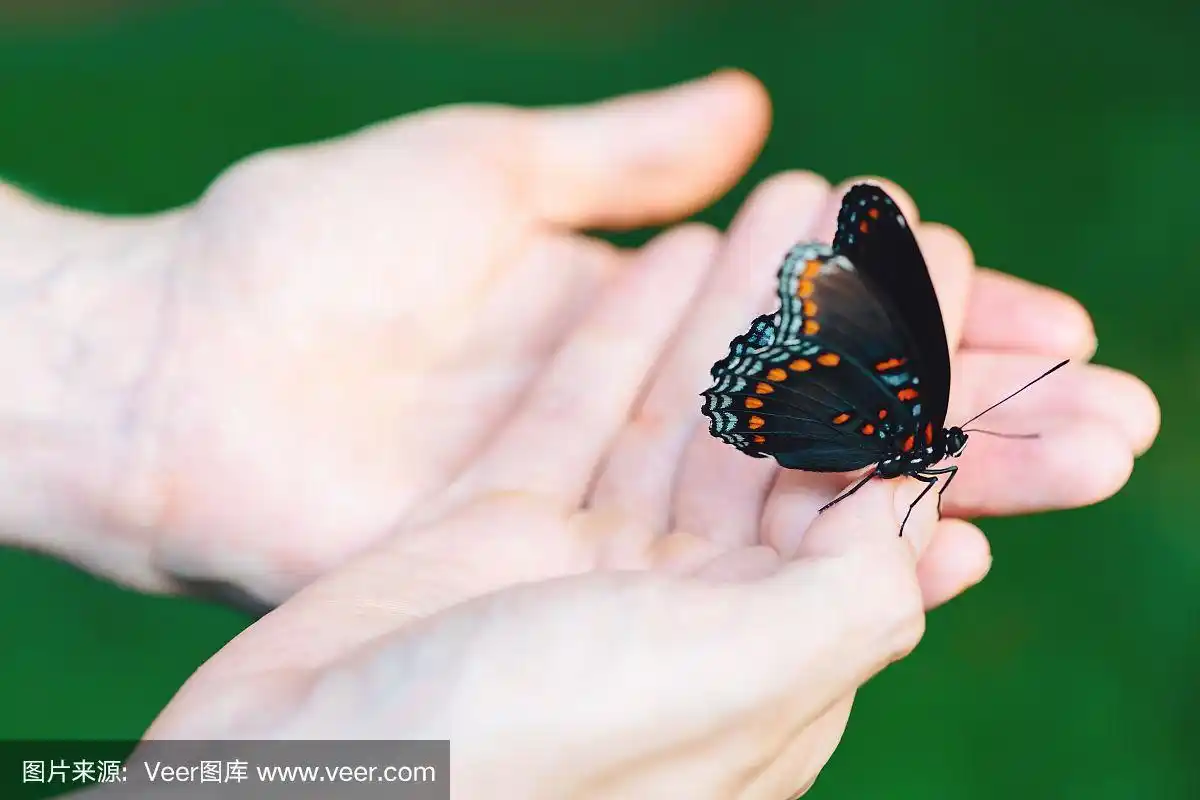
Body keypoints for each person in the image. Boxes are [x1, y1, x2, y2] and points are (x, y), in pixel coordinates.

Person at [2, 69, 1157, 797]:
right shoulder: (900, 412)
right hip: (792, 413)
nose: (941, 454)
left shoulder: (905, 417)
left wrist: (123, 359)